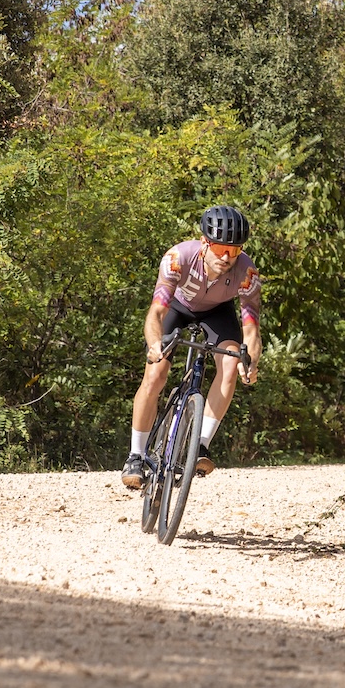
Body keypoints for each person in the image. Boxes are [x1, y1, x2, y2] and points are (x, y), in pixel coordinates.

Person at [122, 205, 263, 488]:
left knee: (232, 362)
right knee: (155, 373)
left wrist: (251, 363)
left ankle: (200, 446)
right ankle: (135, 455)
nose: (226, 257)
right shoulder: (177, 258)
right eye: (221, 248)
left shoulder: (247, 273)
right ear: (204, 243)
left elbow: (251, 329)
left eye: (234, 251)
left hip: (218, 312)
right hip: (178, 307)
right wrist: (154, 345)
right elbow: (156, 313)